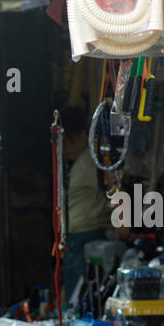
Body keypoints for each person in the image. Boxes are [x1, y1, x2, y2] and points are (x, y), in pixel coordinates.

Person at [60, 105, 116, 301]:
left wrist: (123, 221)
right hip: (77, 240)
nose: (65, 149)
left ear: (82, 135)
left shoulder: (92, 162)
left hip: (88, 237)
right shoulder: (82, 162)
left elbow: (115, 187)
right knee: (76, 294)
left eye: (67, 142)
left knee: (82, 298)